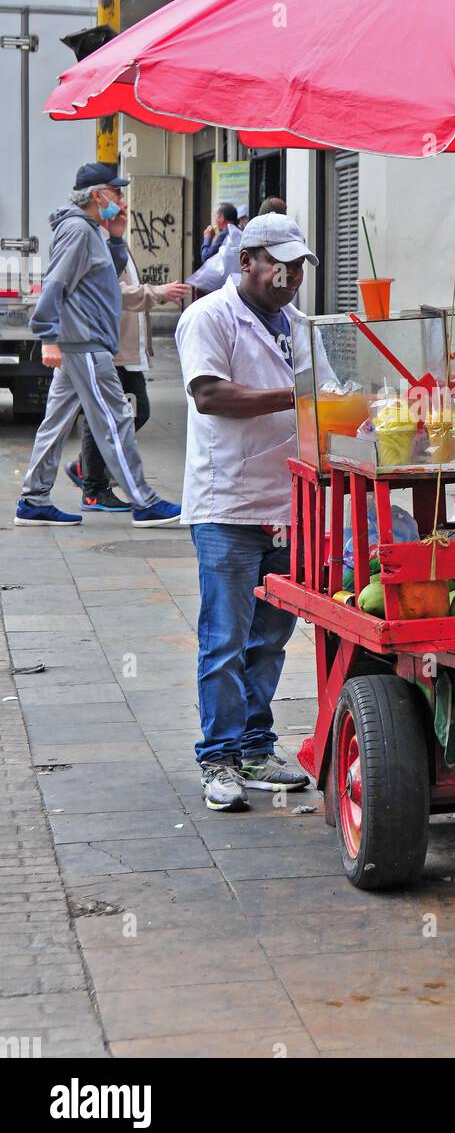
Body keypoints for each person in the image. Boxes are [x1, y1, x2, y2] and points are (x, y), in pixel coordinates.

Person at [175, 214, 328, 811]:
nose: (289, 278)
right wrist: (297, 395)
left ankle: (257, 749)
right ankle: (218, 759)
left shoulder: (297, 324)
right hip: (228, 507)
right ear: (247, 261)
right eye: (279, 265)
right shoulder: (208, 318)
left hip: (288, 506)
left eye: (297, 268)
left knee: (270, 639)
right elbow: (209, 395)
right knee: (224, 641)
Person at [14, 164, 182, 528]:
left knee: (55, 424)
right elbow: (55, 283)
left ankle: (34, 499)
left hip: (82, 342)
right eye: (116, 192)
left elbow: (102, 279)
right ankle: (144, 500)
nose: (120, 200)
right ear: (97, 195)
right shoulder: (77, 229)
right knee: (115, 418)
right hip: (84, 343)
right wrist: (48, 336)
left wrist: (117, 238)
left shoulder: (90, 230)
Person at [65, 213, 191, 511]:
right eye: (114, 197)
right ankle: (94, 487)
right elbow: (113, 292)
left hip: (125, 351)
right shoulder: (96, 243)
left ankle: (87, 470)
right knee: (109, 417)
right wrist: (159, 292)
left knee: (131, 413)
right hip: (113, 348)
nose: (120, 206)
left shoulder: (115, 243)